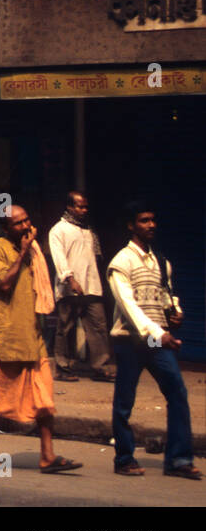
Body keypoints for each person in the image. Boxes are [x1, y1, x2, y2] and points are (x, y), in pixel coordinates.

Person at [0, 204, 81, 473]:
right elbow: (4, 285)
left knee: (44, 396)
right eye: (18, 223)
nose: (25, 226)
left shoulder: (34, 250)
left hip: (31, 333)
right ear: (5, 228)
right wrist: (22, 252)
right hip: (3, 334)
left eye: (27, 220)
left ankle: (47, 455)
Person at [107, 202, 199, 479]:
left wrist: (176, 311)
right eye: (144, 221)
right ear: (131, 225)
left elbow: (166, 295)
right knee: (125, 402)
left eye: (153, 220)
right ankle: (124, 458)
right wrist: (161, 334)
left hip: (155, 341)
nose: (151, 225)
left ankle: (179, 460)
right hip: (130, 340)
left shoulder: (161, 261)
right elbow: (129, 307)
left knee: (177, 392)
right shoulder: (121, 262)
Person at [47, 191, 114, 382]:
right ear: (69, 207)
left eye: (85, 206)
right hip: (70, 288)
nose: (84, 210)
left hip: (92, 286)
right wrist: (70, 279)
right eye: (80, 206)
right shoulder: (59, 230)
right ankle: (62, 368)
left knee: (98, 326)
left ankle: (100, 367)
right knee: (65, 328)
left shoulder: (88, 230)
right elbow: (59, 257)